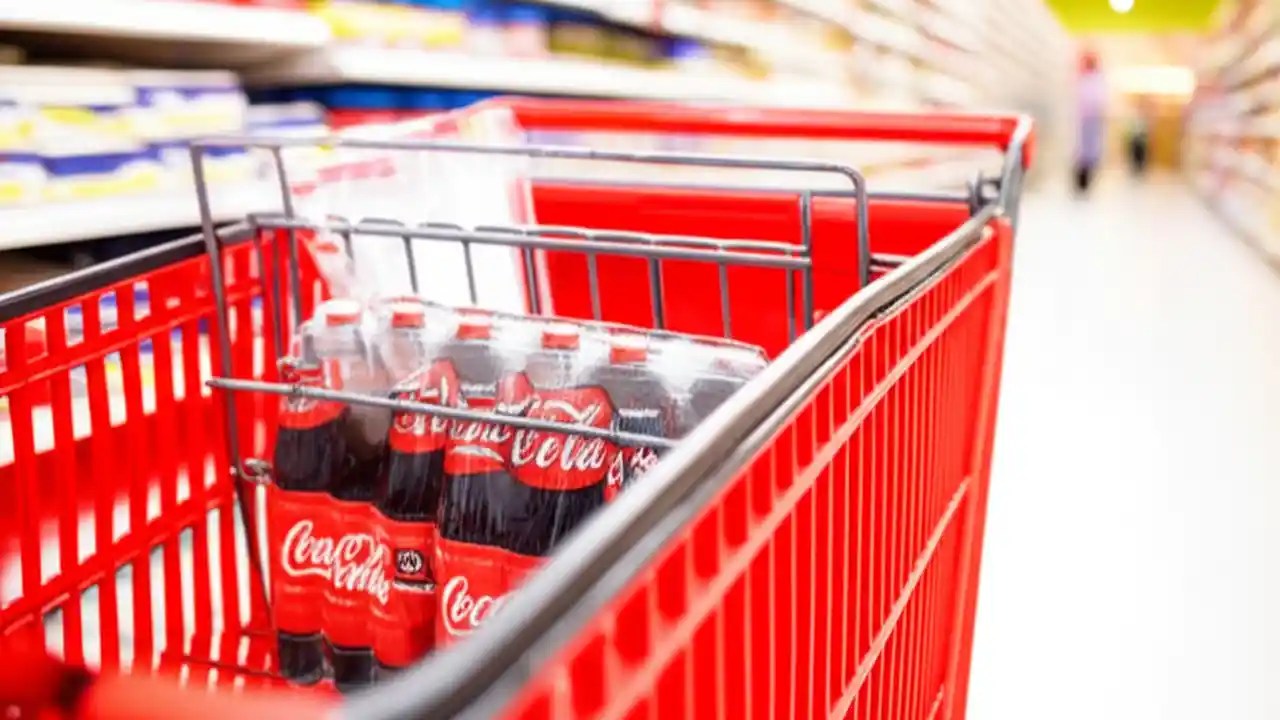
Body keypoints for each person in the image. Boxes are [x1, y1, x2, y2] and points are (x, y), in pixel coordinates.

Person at [1075, 51, 1106, 196]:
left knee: (1089, 152)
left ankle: (1085, 185)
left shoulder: (1096, 80)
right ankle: (1081, 184)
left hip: (1091, 119)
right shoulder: (1083, 79)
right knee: (1083, 153)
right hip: (1084, 119)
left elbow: (1098, 102)